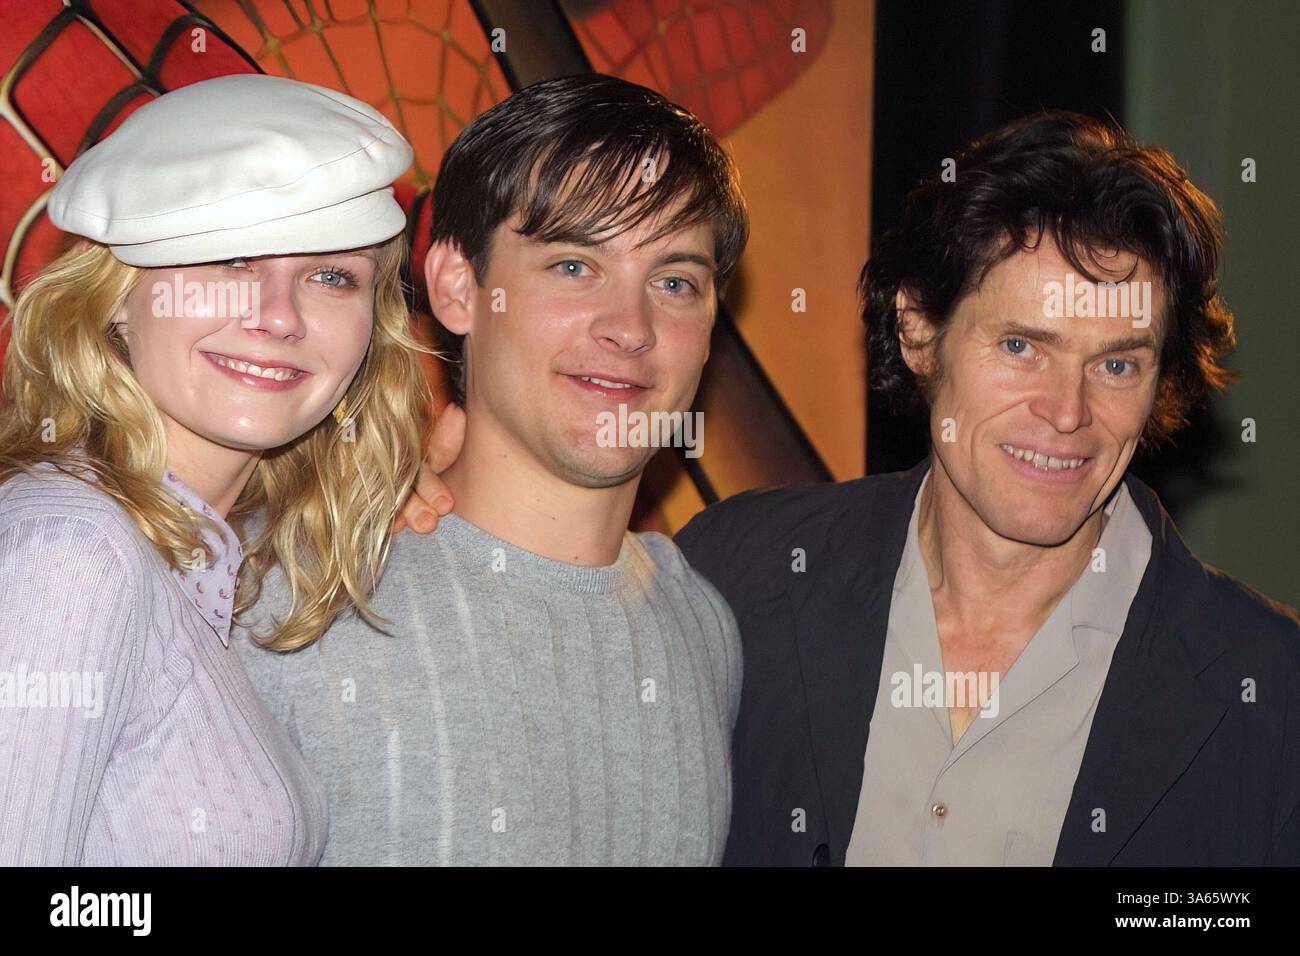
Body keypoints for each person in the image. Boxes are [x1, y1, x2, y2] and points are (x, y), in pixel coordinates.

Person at [670, 112, 1300, 865]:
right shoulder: (738, 574)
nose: (1068, 413)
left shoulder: (1267, 687)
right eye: (1021, 346)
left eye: (1118, 365)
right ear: (917, 331)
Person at [233, 73, 747, 865]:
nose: (630, 327)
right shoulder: (282, 589)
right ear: (456, 288)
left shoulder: (706, 625)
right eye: (574, 265)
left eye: (675, 281)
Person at [0, 73, 432, 864]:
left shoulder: (197, 557)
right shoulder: (74, 549)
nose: (279, 315)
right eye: (230, 259)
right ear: (117, 300)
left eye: (332, 276)